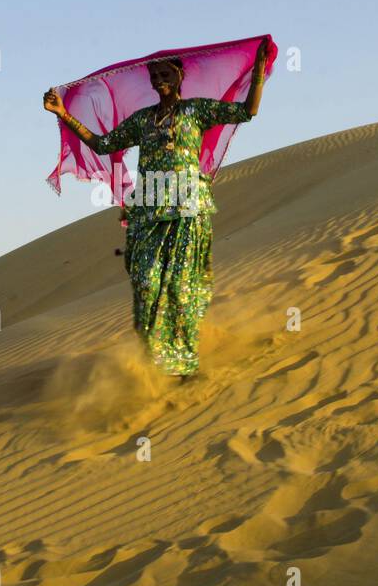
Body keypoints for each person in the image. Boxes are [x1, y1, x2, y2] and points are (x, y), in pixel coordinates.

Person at [43, 37, 270, 377]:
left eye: (166, 72)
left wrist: (257, 75)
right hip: (148, 209)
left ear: (180, 76)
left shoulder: (196, 110)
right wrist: (63, 114)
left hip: (187, 207)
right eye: (154, 75)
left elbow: (245, 112)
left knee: (181, 286)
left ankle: (185, 365)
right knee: (147, 284)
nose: (159, 79)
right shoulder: (142, 119)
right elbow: (104, 144)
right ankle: (155, 359)